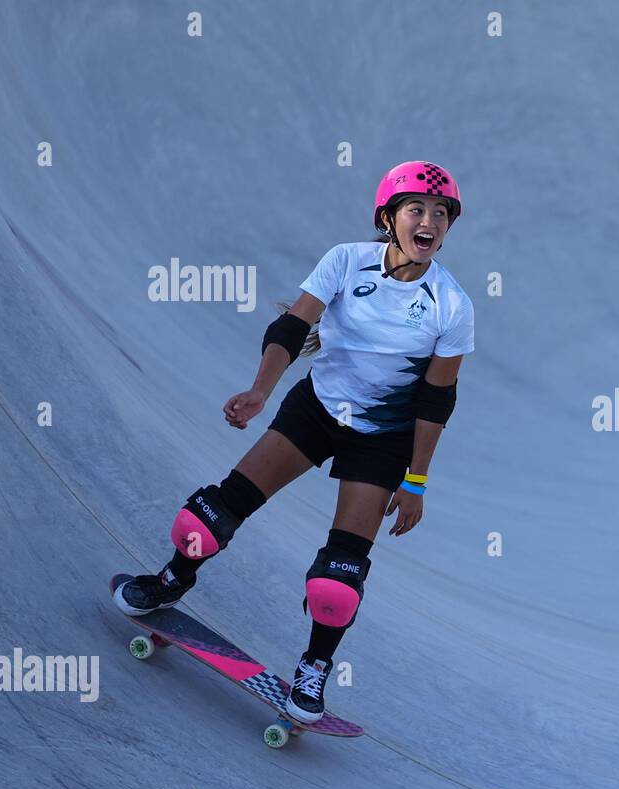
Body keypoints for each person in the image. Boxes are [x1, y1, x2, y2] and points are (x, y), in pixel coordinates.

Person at [113, 161, 475, 724]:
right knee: (205, 522)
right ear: (388, 218)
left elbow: (436, 402)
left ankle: (314, 668)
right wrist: (260, 390)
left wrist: (416, 479)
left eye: (440, 213)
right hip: (316, 411)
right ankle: (170, 581)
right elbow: (291, 328)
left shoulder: (452, 305)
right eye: (416, 210)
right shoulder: (345, 260)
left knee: (338, 582)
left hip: (382, 440)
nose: (429, 221)